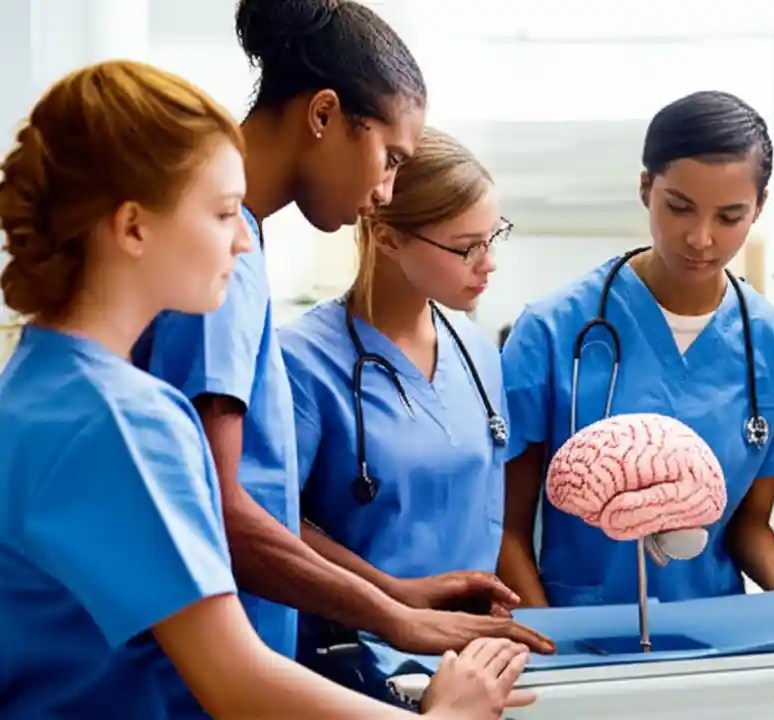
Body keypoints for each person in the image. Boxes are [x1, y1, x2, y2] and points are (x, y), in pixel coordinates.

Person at [0, 58, 531, 720]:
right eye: (224, 213)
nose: (243, 246)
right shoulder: (125, 419)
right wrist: (446, 716)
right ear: (133, 227)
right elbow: (236, 682)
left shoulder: (34, 388)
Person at [131, 0, 542, 677]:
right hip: (194, 674)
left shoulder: (235, 243)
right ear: (323, 115)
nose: (385, 192)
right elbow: (219, 510)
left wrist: (396, 595)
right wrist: (395, 616)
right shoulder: (217, 257)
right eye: (389, 159)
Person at [498, 90, 774, 608]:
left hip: (714, 630)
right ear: (645, 188)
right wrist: (551, 640)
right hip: (577, 628)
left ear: (759, 208)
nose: (701, 238)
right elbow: (506, 529)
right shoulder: (551, 331)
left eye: (729, 217)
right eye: (679, 207)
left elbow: (750, 526)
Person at [280, 127, 553, 684]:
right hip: (353, 663)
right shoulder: (302, 362)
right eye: (466, 246)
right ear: (386, 237)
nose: (489, 263)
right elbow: (272, 526)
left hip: (475, 663)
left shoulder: (478, 354)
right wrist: (392, 597)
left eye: (493, 237)